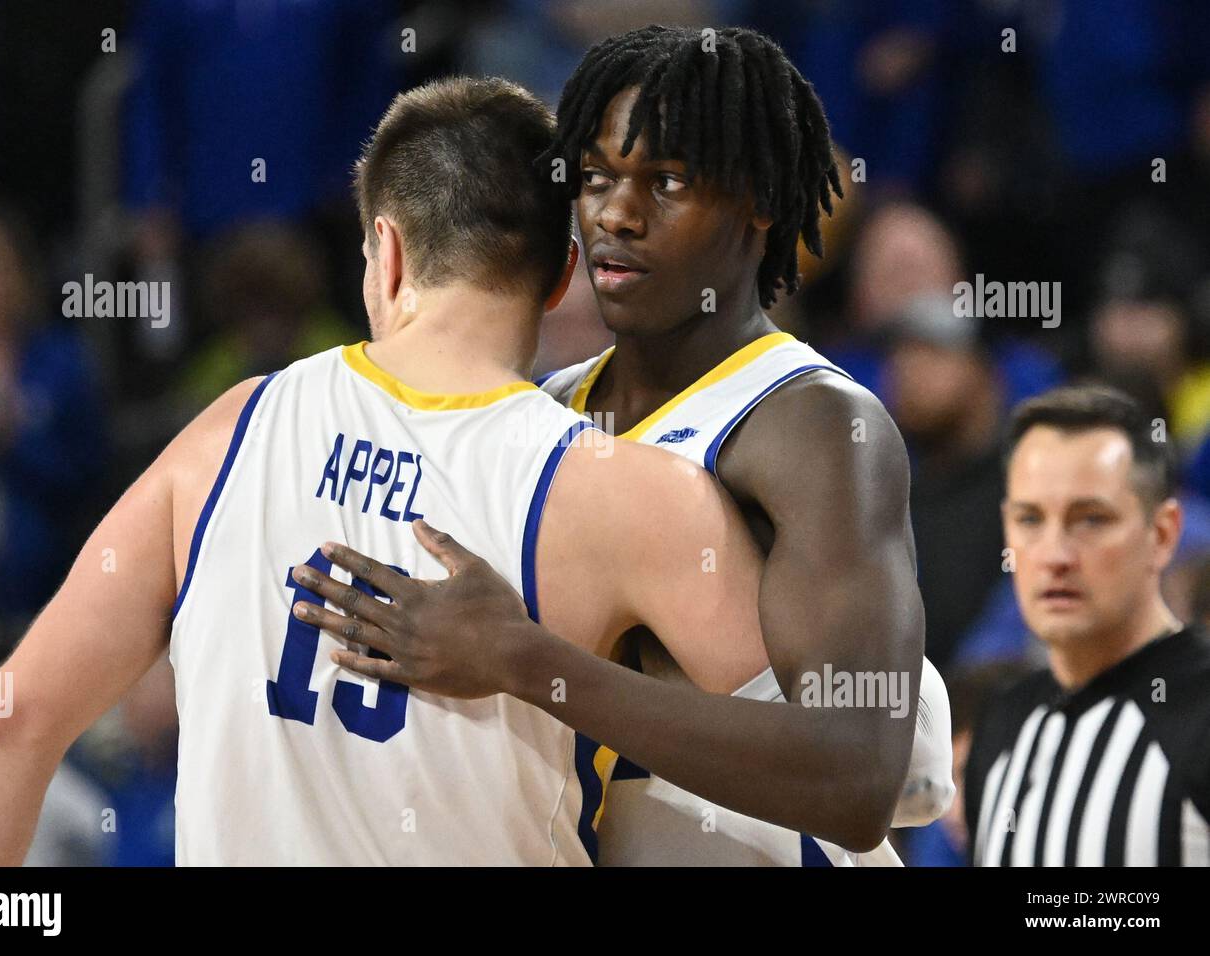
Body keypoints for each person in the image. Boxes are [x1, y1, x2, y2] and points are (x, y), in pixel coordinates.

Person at [0, 76, 840, 867]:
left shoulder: (228, 430)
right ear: (565, 274)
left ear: (387, 254)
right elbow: (835, 780)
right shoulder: (628, 494)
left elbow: (6, 728)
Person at [298, 25, 952, 866]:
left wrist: (527, 660)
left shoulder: (814, 426)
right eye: (598, 177)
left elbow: (858, 782)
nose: (617, 213)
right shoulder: (546, 409)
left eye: (666, 181)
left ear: (756, 198)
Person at [966, 385, 1210, 866]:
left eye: (1091, 519)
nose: (1055, 555)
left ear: (1161, 534)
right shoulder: (1001, 726)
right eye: (1030, 519)